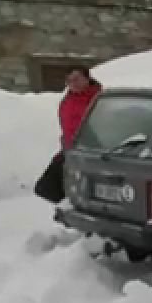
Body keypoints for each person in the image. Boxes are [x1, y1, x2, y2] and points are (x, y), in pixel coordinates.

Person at [34, 66, 100, 204]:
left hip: (90, 153)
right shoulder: (67, 100)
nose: (73, 83)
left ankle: (80, 209)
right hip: (69, 151)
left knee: (85, 191)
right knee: (45, 187)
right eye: (69, 80)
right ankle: (72, 206)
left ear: (87, 78)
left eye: (76, 79)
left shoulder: (98, 99)